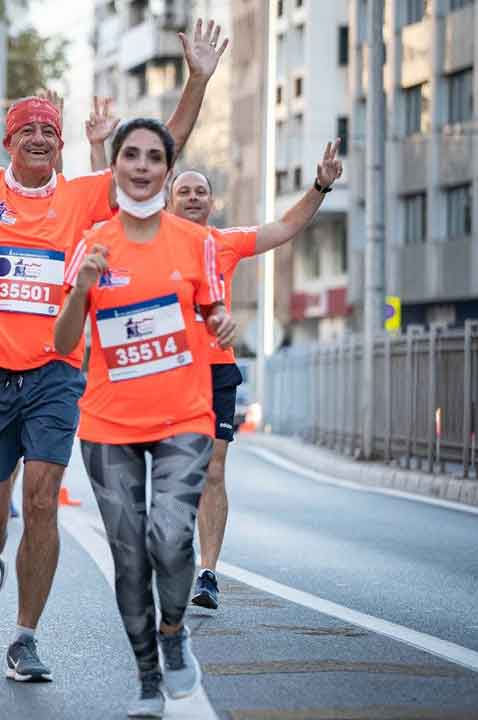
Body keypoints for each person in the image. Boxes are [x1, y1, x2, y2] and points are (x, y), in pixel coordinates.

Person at [0, 0, 226, 680]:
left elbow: (160, 151)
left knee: (41, 502)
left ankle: (25, 636)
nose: (38, 139)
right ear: (8, 142)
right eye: (27, 130)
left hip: (56, 374)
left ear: (60, 144)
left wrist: (197, 81)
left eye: (48, 132)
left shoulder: (85, 195)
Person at [55, 118, 237, 717]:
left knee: (169, 534)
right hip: (110, 424)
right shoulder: (93, 242)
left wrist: (221, 325)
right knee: (130, 553)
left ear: (166, 165)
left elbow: (211, 311)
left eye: (152, 157)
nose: (140, 166)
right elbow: (62, 341)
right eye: (129, 155)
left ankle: (174, 630)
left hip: (185, 414)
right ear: (115, 167)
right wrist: (82, 287)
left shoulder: (195, 242)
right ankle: (145, 678)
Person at [168, 141, 343, 611]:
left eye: (200, 191)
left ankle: (207, 573)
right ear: (168, 201)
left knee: (214, 468)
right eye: (183, 190)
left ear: (211, 202)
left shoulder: (223, 243)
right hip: (164, 369)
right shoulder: (150, 240)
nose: (192, 197)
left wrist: (320, 186)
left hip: (216, 370)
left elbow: (285, 227)